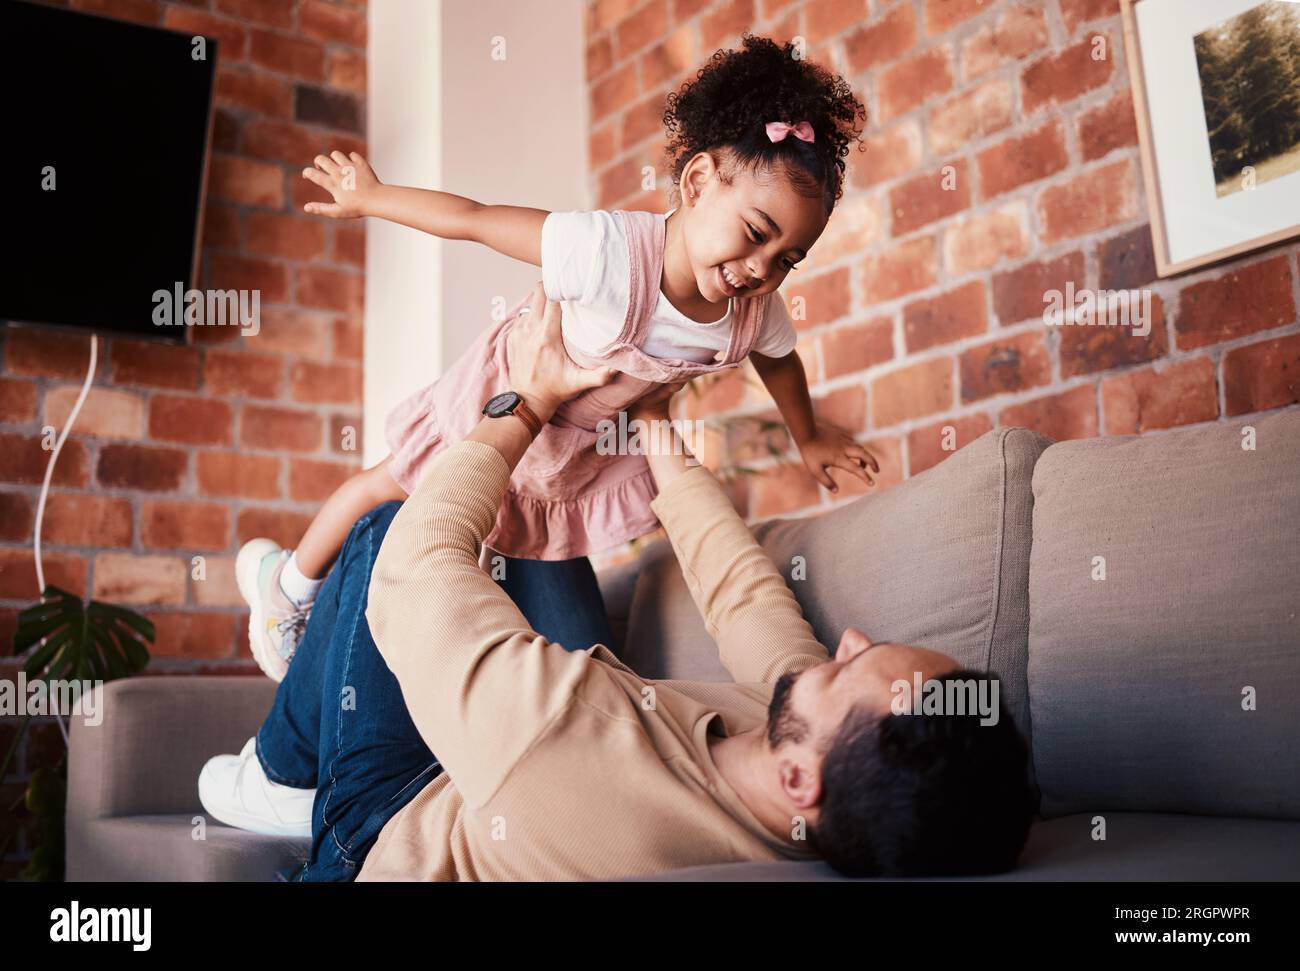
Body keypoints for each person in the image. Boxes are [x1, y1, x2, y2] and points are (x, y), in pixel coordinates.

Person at [198, 285, 1036, 881]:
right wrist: (656, 418)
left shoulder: (566, 747)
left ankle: (283, 768)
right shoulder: (810, 782)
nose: (848, 640)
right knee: (543, 520)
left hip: (388, 826)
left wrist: (522, 401)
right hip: (518, 757)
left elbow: (416, 573)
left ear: (799, 782)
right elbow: (747, 599)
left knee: (389, 526)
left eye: (851, 668)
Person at [233, 33, 879, 681]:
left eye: (786, 260)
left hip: (579, 449)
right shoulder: (604, 252)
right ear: (700, 180)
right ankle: (285, 583)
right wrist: (374, 198)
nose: (760, 269)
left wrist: (809, 433)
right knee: (389, 484)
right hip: (509, 398)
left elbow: (781, 361)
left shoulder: (751, 314)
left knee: (533, 554)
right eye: (756, 235)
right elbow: (475, 219)